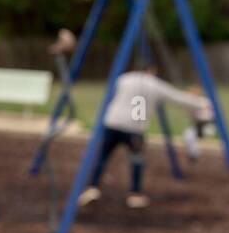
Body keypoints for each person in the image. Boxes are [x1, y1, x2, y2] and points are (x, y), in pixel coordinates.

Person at [78, 67, 212, 209]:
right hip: (134, 128)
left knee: (103, 157)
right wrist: (203, 103)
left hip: (112, 122)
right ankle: (135, 194)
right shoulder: (154, 84)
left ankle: (92, 187)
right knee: (136, 160)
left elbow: (111, 96)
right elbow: (177, 98)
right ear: (152, 71)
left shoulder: (124, 79)